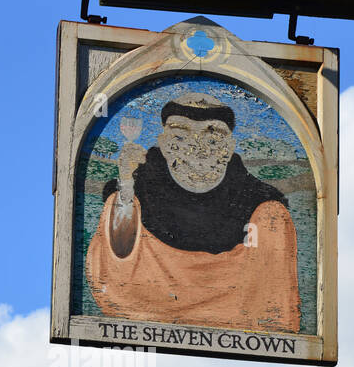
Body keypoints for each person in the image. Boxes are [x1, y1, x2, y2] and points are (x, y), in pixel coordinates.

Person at [86, 91, 300, 331]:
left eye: (211, 140)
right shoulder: (139, 189)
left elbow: (269, 303)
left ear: (229, 149)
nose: (196, 149)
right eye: (181, 137)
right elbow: (117, 267)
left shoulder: (263, 208)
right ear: (164, 144)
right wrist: (126, 183)